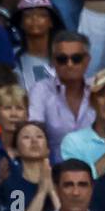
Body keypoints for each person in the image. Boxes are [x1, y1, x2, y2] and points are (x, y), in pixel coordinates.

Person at [28, 30, 95, 162]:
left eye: (76, 59)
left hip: (97, 170)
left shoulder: (99, 90)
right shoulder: (40, 90)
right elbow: (33, 130)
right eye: (62, 59)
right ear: (53, 62)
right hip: (54, 170)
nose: (69, 64)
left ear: (87, 61)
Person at [0, 121, 58, 211]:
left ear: (48, 149)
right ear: (16, 151)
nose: (34, 141)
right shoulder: (16, 188)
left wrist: (52, 191)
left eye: (39, 136)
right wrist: (41, 193)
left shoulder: (62, 180)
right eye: (26, 137)